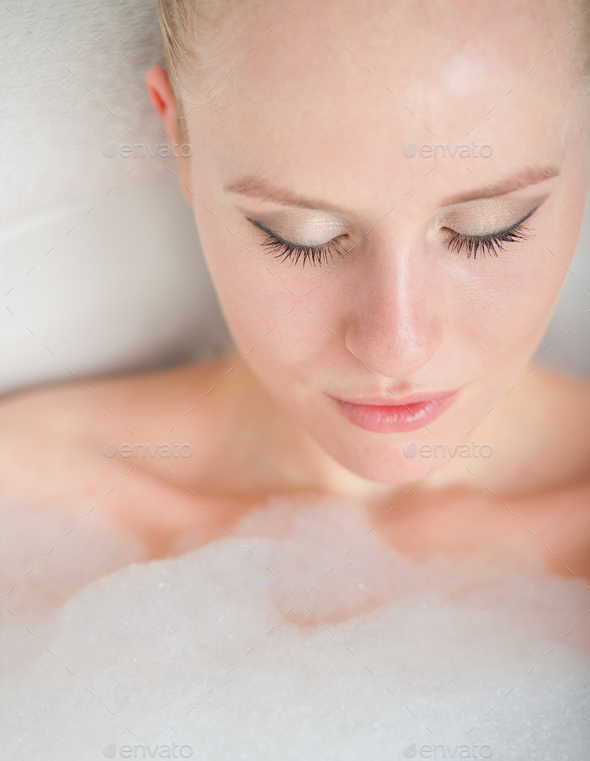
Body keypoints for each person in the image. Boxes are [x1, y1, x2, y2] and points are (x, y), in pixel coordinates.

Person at [0, 0, 589, 582]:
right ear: (179, 135)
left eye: (489, 228)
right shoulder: (25, 503)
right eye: (301, 237)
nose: (396, 348)